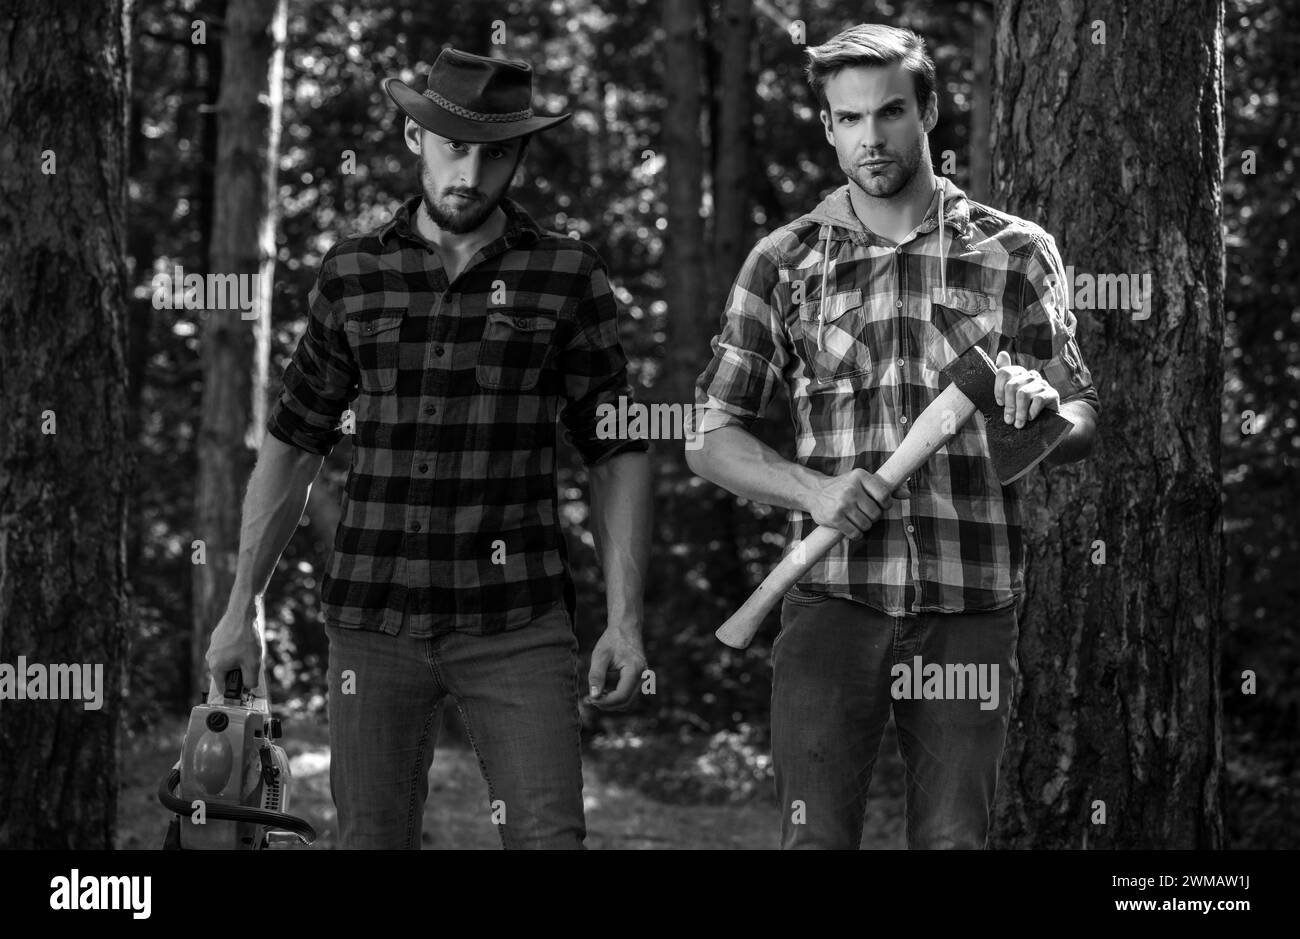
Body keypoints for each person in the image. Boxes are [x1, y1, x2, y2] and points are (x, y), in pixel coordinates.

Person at [204, 48, 652, 849]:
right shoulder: (353, 273)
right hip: (372, 622)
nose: (470, 171)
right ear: (416, 135)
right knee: (370, 840)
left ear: (519, 155)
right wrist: (243, 607)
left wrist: (625, 618)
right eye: (452, 143)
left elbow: (615, 450)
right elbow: (294, 445)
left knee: (550, 837)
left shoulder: (565, 273)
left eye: (495, 152)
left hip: (516, 620)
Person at [687, 24, 1100, 849]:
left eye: (890, 112)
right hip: (832, 600)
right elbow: (709, 438)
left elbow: (1083, 415)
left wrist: (1041, 405)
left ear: (930, 112)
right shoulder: (786, 260)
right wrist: (813, 490)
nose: (870, 137)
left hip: (968, 601)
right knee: (817, 840)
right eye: (849, 119)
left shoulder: (1016, 251)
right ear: (828, 127)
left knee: (953, 840)